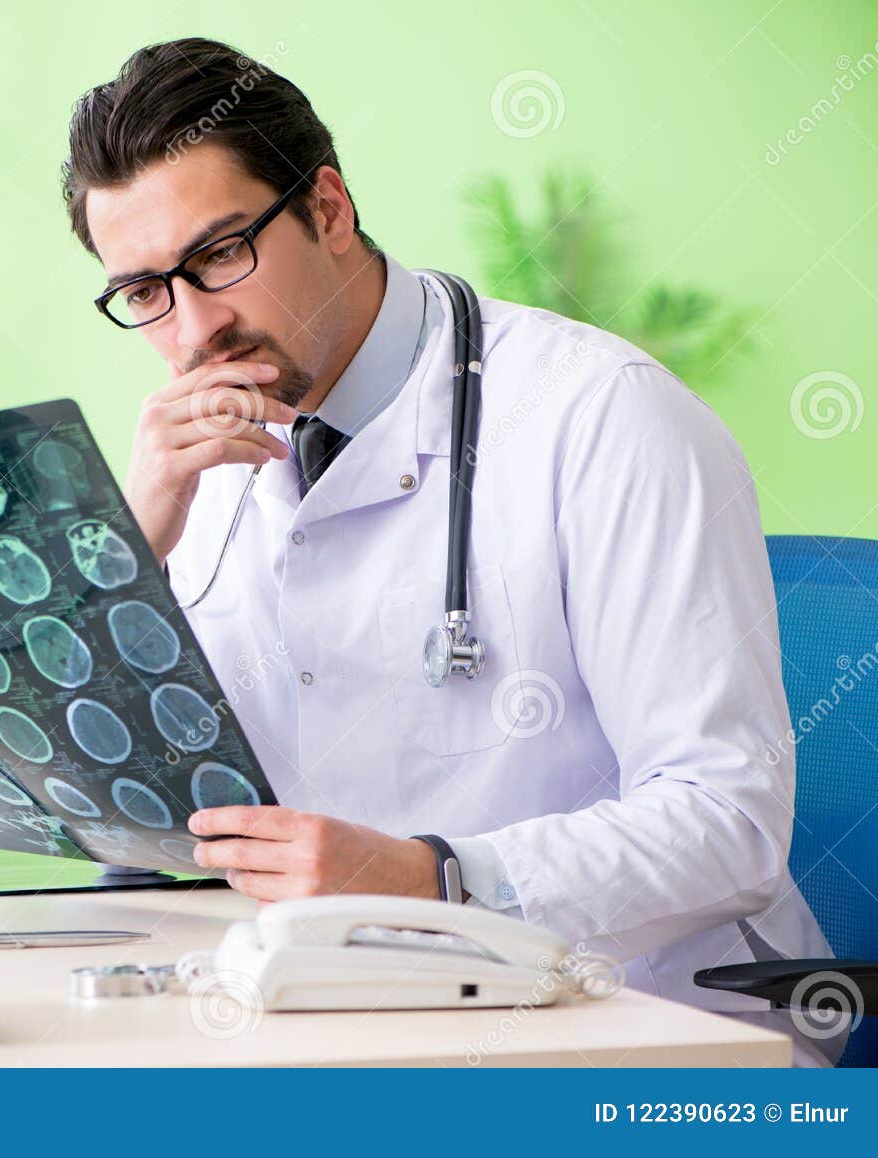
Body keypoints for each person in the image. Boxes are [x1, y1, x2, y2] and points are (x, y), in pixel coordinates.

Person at [60, 37, 841, 1065]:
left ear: (327, 209)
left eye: (217, 257)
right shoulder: (193, 459)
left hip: (641, 1027)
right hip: (336, 1017)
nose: (194, 326)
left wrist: (433, 876)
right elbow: (89, 799)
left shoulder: (600, 418)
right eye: (146, 291)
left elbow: (724, 823)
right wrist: (135, 538)